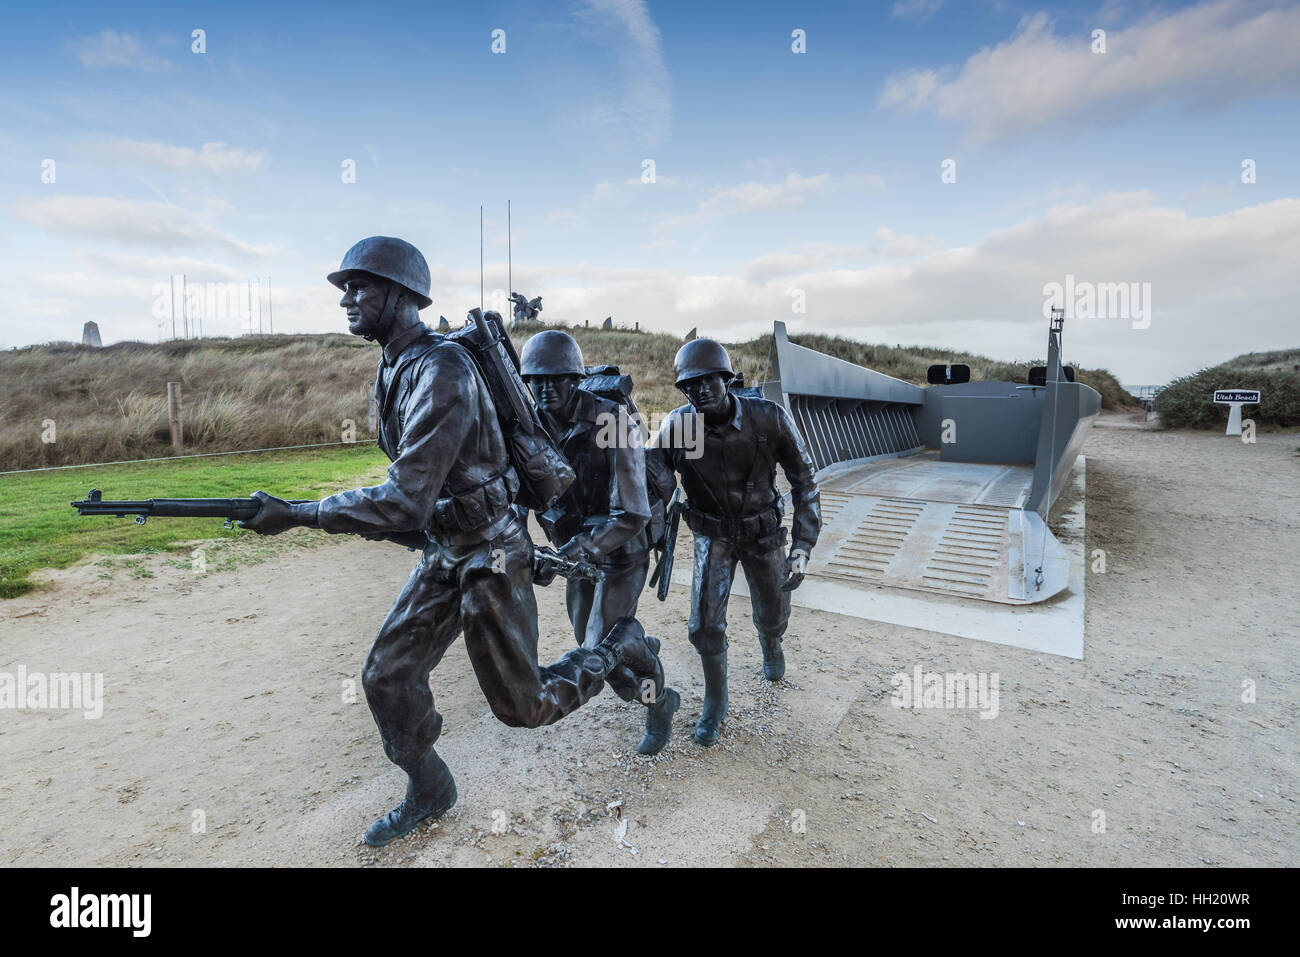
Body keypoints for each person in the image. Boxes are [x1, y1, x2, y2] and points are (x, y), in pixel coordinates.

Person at [240, 236, 664, 846]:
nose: (346, 300)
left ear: (402, 294)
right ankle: (430, 787)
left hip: (490, 548)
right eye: (345, 289)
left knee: (525, 707)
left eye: (358, 287)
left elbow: (403, 497)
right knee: (387, 676)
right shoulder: (391, 368)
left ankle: (616, 646)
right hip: (447, 543)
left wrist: (302, 514)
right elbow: (419, 497)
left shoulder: (442, 370)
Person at [649, 338, 821, 747]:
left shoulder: (768, 418)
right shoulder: (679, 426)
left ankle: (772, 643)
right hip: (714, 535)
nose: (700, 390)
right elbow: (651, 477)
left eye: (709, 380)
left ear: (726, 379)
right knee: (704, 626)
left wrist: (802, 546)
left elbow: (805, 480)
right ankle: (716, 701)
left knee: (774, 611)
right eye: (691, 385)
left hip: (763, 533)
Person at [519, 330, 680, 756]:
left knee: (596, 649)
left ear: (575, 379)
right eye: (535, 380)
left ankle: (660, 703)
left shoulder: (613, 422)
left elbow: (632, 513)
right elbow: (517, 493)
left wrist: (569, 554)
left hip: (622, 552)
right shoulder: (529, 425)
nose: (544, 389)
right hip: (575, 553)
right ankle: (637, 649)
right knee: (593, 646)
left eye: (556, 379)